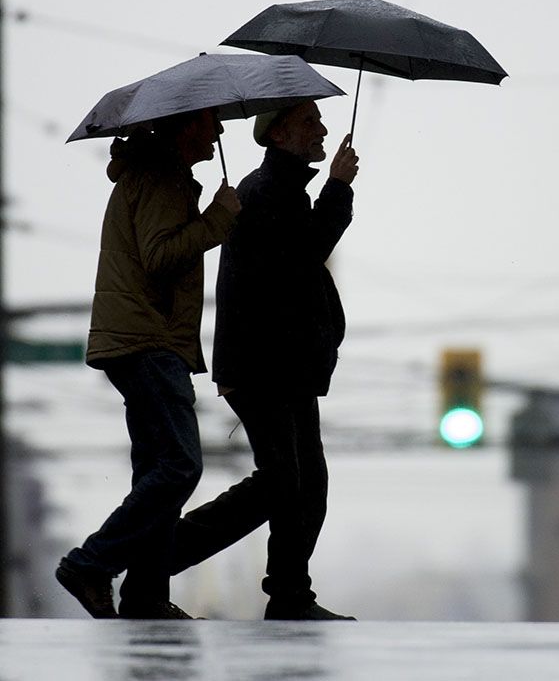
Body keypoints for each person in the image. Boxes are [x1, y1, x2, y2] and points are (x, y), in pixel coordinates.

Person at [167, 100, 359, 620]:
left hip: (285, 366)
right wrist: (338, 186)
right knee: (282, 482)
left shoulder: (284, 188)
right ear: (276, 133)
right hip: (264, 367)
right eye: (309, 121)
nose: (322, 130)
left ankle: (289, 592)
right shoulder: (266, 191)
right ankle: (158, 558)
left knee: (302, 483)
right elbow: (304, 254)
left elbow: (300, 256)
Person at [56, 108, 241, 619]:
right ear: (185, 127)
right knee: (182, 464)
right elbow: (160, 256)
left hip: (142, 338)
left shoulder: (161, 176)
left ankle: (146, 594)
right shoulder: (162, 177)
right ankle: (91, 564)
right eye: (211, 122)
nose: (220, 131)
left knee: (156, 471)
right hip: (148, 340)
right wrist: (219, 219)